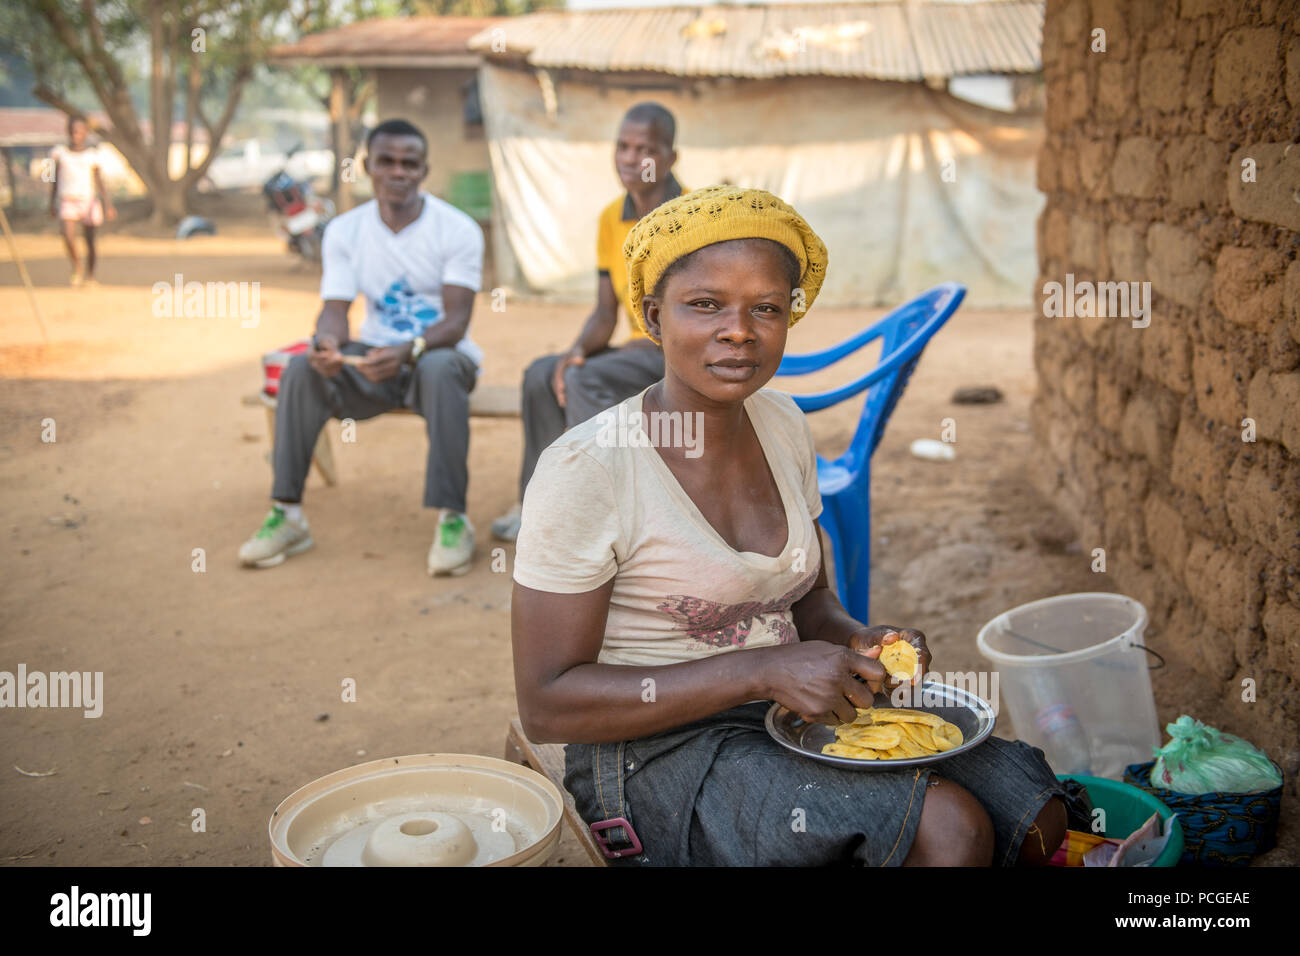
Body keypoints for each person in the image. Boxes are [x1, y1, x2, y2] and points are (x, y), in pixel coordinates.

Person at [510, 185, 1069, 866]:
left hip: (783, 712)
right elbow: (547, 703)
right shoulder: (589, 469)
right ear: (655, 316)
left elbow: (808, 602)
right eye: (706, 304)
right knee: (946, 830)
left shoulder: (782, 425)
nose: (739, 330)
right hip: (650, 751)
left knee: (1035, 812)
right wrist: (761, 670)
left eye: (766, 308)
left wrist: (861, 640)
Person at [238, 119, 485, 576]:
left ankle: (454, 520)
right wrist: (328, 343)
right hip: (374, 358)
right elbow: (334, 309)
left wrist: (409, 349)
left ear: (423, 170)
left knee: (440, 368)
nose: (398, 172)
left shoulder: (457, 229)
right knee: (300, 371)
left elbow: (455, 322)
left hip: (437, 358)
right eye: (386, 162)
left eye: (409, 163)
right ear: (368, 166)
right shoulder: (345, 231)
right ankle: (287, 514)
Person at [491, 102, 684, 542]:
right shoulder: (611, 219)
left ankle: (601, 511)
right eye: (623, 146)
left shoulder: (686, 218)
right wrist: (576, 351)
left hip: (677, 356)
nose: (632, 159)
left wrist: (600, 359)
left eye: (646, 149)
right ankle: (534, 504)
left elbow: (684, 320)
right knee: (543, 374)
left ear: (671, 157)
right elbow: (604, 312)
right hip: (637, 349)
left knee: (583, 382)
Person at [49, 115, 116, 287]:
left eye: (79, 131)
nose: (76, 134)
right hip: (67, 200)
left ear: (85, 132)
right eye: (73, 131)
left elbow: (99, 181)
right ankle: (77, 266)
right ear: (68, 132)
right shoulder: (58, 153)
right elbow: (51, 178)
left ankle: (90, 276)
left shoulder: (93, 155)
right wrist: (50, 202)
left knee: (90, 241)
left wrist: (108, 204)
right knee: (67, 235)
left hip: (88, 201)